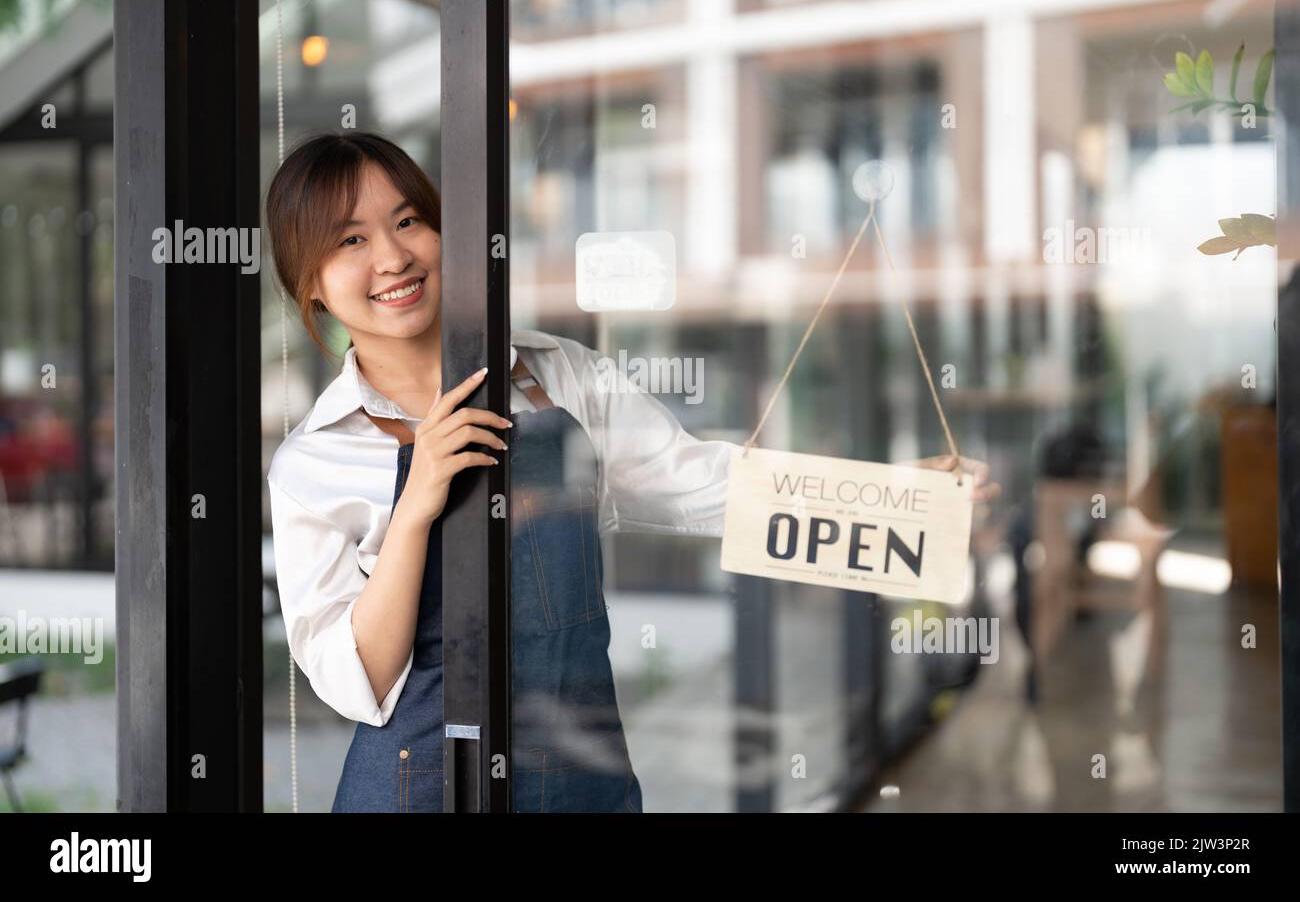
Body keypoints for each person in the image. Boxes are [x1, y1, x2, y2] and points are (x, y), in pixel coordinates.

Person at [263, 130, 998, 812]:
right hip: (415, 787)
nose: (392, 257)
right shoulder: (317, 460)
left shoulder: (557, 374)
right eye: (350, 240)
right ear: (313, 285)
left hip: (582, 772)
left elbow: (703, 484)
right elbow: (361, 681)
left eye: (408, 221)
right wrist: (418, 503)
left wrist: (897, 501)